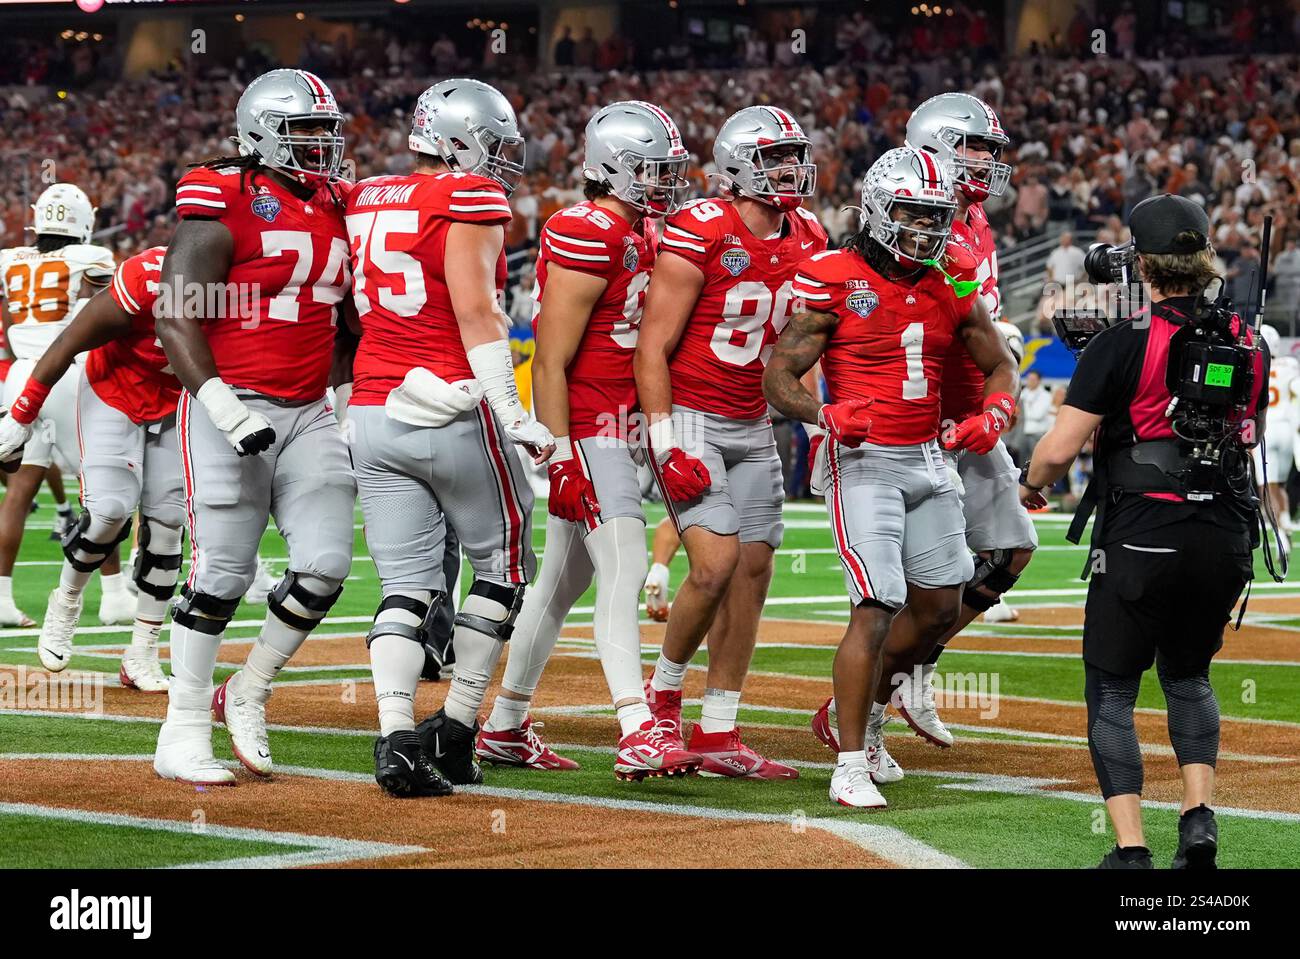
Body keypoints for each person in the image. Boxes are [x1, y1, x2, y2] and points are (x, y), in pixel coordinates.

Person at [1019, 194, 1267, 868]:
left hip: (1140, 534)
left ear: (1143, 263)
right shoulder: (1250, 341)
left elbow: (1057, 451)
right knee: (1189, 676)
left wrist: (1030, 485)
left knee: (1113, 688)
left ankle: (1130, 850)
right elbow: (1248, 439)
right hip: (1224, 533)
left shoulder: (1121, 340)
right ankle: (1199, 821)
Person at [765, 146, 1017, 809]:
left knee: (938, 607)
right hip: (865, 461)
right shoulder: (833, 276)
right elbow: (778, 375)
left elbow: (997, 362)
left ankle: (873, 711)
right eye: (910, 213)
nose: (925, 230)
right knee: (876, 605)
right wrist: (822, 413)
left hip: (930, 457)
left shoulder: (953, 274)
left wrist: (996, 412)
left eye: (935, 217)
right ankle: (848, 761)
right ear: (877, 209)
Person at [478, 100, 698, 780]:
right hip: (590, 423)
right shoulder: (586, 227)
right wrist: (562, 451)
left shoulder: (639, 229)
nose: (664, 181)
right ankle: (636, 725)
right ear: (613, 169)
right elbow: (549, 357)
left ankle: (505, 724)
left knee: (563, 579)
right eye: (651, 170)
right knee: (626, 565)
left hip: (620, 421)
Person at [346, 78, 552, 797]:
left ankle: (395, 736)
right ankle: (459, 727)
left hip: (372, 408)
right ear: (459, 140)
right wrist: (512, 409)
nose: (501, 163)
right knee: (504, 566)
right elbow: (478, 314)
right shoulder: (467, 198)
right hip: (450, 405)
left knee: (405, 586)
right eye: (494, 145)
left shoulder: (366, 195)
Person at [152, 69, 357, 786]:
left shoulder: (337, 202)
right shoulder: (225, 194)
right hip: (228, 400)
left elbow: (348, 321)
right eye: (306, 131)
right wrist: (223, 407)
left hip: (307, 409)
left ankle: (249, 686)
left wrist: (348, 394)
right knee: (222, 573)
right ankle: (179, 728)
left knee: (328, 563)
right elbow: (174, 312)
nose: (321, 145)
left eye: (327, 132)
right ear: (263, 130)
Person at [635, 105, 826, 779]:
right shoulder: (701, 227)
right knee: (712, 567)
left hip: (753, 420)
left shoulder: (807, 232)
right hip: (690, 413)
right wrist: (664, 439)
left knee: (753, 571)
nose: (790, 171)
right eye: (776, 159)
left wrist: (817, 420)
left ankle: (718, 728)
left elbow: (805, 344)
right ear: (741, 165)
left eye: (793, 156)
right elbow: (653, 344)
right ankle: (661, 697)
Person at [856, 91, 1037, 752]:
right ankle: (867, 705)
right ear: (933, 146)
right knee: (919, 581)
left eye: (992, 149)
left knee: (1009, 553)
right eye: (975, 146)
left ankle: (912, 668)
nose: (988, 160)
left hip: (968, 410)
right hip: (915, 419)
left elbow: (976, 315)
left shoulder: (977, 224)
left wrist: (999, 365)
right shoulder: (909, 220)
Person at [0, 246, 184, 692]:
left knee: (169, 523)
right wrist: (21, 416)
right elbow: (66, 343)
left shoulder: (245, 291)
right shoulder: (145, 277)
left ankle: (142, 651)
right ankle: (65, 601)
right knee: (110, 511)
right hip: (112, 390)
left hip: (179, 400)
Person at [0, 183, 133, 629]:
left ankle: (1, 598)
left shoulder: (10, 259)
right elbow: (109, 307)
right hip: (66, 372)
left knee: (19, 492)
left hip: (20, 375)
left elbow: (9, 320)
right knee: (101, 483)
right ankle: (114, 595)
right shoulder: (89, 257)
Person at [1253, 325, 1298, 534]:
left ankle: (1278, 527)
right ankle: (1286, 519)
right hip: (1288, 429)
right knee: (1280, 482)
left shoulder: (1256, 364)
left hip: (1267, 427)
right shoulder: (1290, 364)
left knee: (1267, 484)